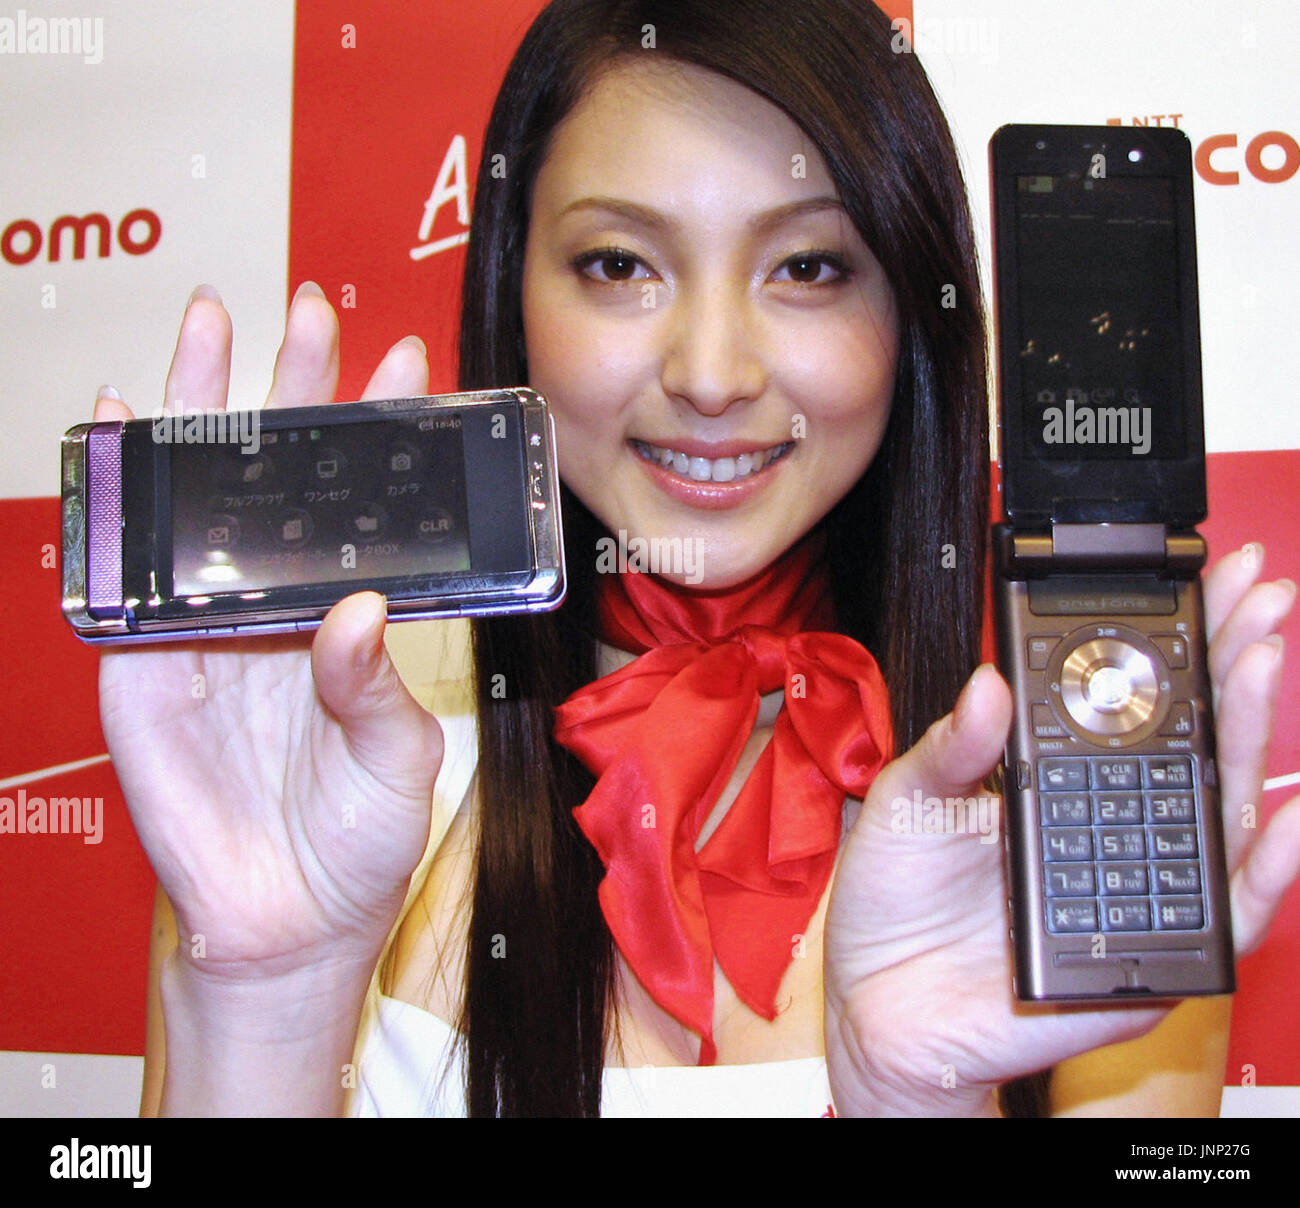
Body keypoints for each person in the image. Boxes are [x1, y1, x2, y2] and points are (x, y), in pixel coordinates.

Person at [92, 0, 1298, 1117]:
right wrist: (261, 1005)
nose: (712, 372)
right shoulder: (316, 771)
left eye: (807, 266)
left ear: (910, 320)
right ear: (513, 296)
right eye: (620, 263)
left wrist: (916, 1097)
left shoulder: (1090, 827)